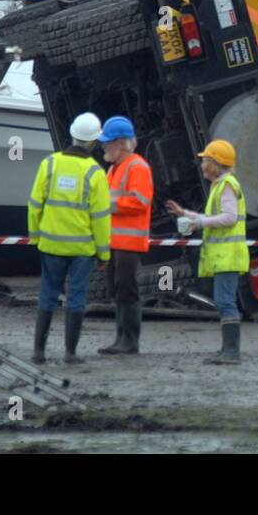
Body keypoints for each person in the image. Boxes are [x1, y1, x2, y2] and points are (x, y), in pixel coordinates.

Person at [28, 113, 111, 365]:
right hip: (82, 249)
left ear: (72, 135)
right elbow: (100, 217)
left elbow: (34, 204)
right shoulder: (95, 173)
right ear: (94, 142)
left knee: (48, 295)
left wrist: (35, 237)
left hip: (51, 245)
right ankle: (70, 353)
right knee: (76, 297)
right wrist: (103, 253)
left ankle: (39, 352)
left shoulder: (50, 164)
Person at [165, 140, 249, 364]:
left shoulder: (227, 185)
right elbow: (215, 217)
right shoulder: (221, 185)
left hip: (228, 255)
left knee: (225, 301)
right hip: (225, 256)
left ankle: (231, 352)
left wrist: (198, 225)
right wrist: (185, 213)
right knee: (223, 300)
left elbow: (229, 218)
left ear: (215, 163)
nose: (201, 164)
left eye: (205, 160)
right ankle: (227, 350)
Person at [97, 116, 152, 355]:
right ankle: (121, 338)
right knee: (116, 288)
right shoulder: (114, 169)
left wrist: (107, 204)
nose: (103, 147)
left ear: (121, 143)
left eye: (107, 143)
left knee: (126, 289)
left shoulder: (137, 166)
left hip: (129, 242)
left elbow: (140, 201)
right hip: (114, 242)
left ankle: (129, 341)